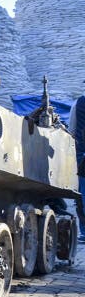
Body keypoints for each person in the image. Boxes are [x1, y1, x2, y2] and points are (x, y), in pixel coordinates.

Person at [69, 95, 85, 241]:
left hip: (82, 155)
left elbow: (72, 130)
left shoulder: (79, 103)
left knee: (82, 194)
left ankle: (84, 232)